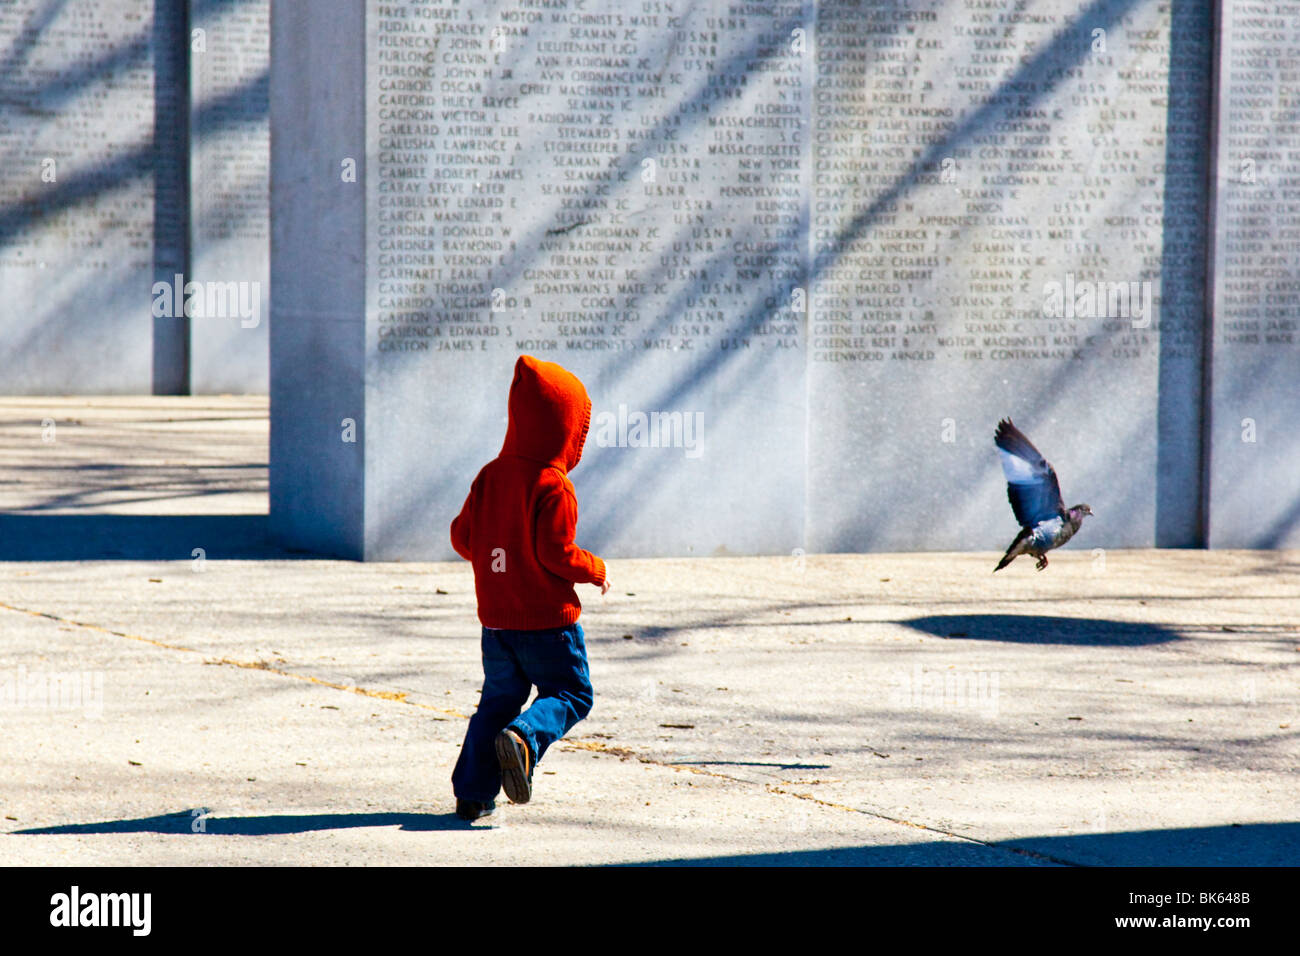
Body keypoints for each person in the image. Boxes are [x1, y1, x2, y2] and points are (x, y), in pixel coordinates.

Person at [449, 354, 610, 821]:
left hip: (496, 623)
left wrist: (497, 560)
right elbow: (556, 554)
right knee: (571, 693)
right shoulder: (553, 486)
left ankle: (473, 794)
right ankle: (523, 740)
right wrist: (595, 568)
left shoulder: (489, 476)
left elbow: (463, 537)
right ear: (564, 429)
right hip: (547, 621)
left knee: (496, 701)